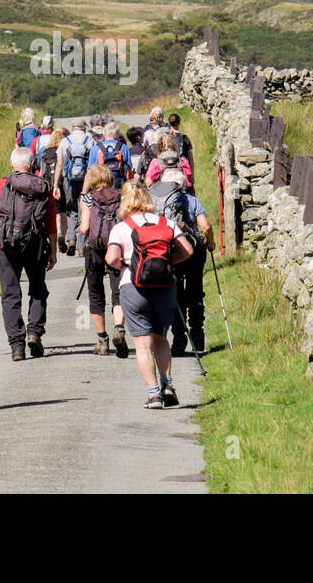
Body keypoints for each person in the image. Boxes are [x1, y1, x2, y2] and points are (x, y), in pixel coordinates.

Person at [106, 181, 193, 408]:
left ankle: (154, 394)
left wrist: (128, 265)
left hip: (133, 288)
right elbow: (188, 250)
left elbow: (110, 258)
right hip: (165, 288)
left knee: (143, 345)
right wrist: (168, 263)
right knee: (161, 339)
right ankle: (167, 384)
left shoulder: (122, 227)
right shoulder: (166, 223)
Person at [0, 146, 57, 361]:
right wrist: (53, 251)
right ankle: (34, 332)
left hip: (6, 245)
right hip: (36, 244)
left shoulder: (1, 185)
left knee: (10, 294)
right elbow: (51, 221)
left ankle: (17, 345)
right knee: (38, 289)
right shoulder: (43, 187)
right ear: (32, 164)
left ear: (11, 163)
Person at [149, 166, 214, 355]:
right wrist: (211, 243)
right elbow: (205, 226)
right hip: (193, 250)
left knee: (176, 295)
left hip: (171, 251)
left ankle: (179, 339)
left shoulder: (157, 204)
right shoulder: (192, 201)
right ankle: (198, 337)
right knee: (195, 293)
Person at [76, 163, 127, 357]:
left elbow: (84, 228)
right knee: (118, 290)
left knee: (96, 294)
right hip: (116, 248)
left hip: (95, 250)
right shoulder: (121, 196)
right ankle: (119, 329)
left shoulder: (89, 198)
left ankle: (102, 340)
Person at [54, 120, 93, 255]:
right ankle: (82, 247)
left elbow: (59, 164)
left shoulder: (65, 141)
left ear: (72, 127)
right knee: (85, 210)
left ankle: (71, 238)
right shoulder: (90, 140)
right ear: (83, 127)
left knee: (71, 210)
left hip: (69, 180)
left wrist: (55, 185)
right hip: (87, 180)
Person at [167, 113, 194, 181]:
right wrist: (192, 175)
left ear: (169, 123)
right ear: (179, 123)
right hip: (181, 171)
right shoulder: (184, 138)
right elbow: (190, 159)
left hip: (168, 172)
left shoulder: (165, 138)